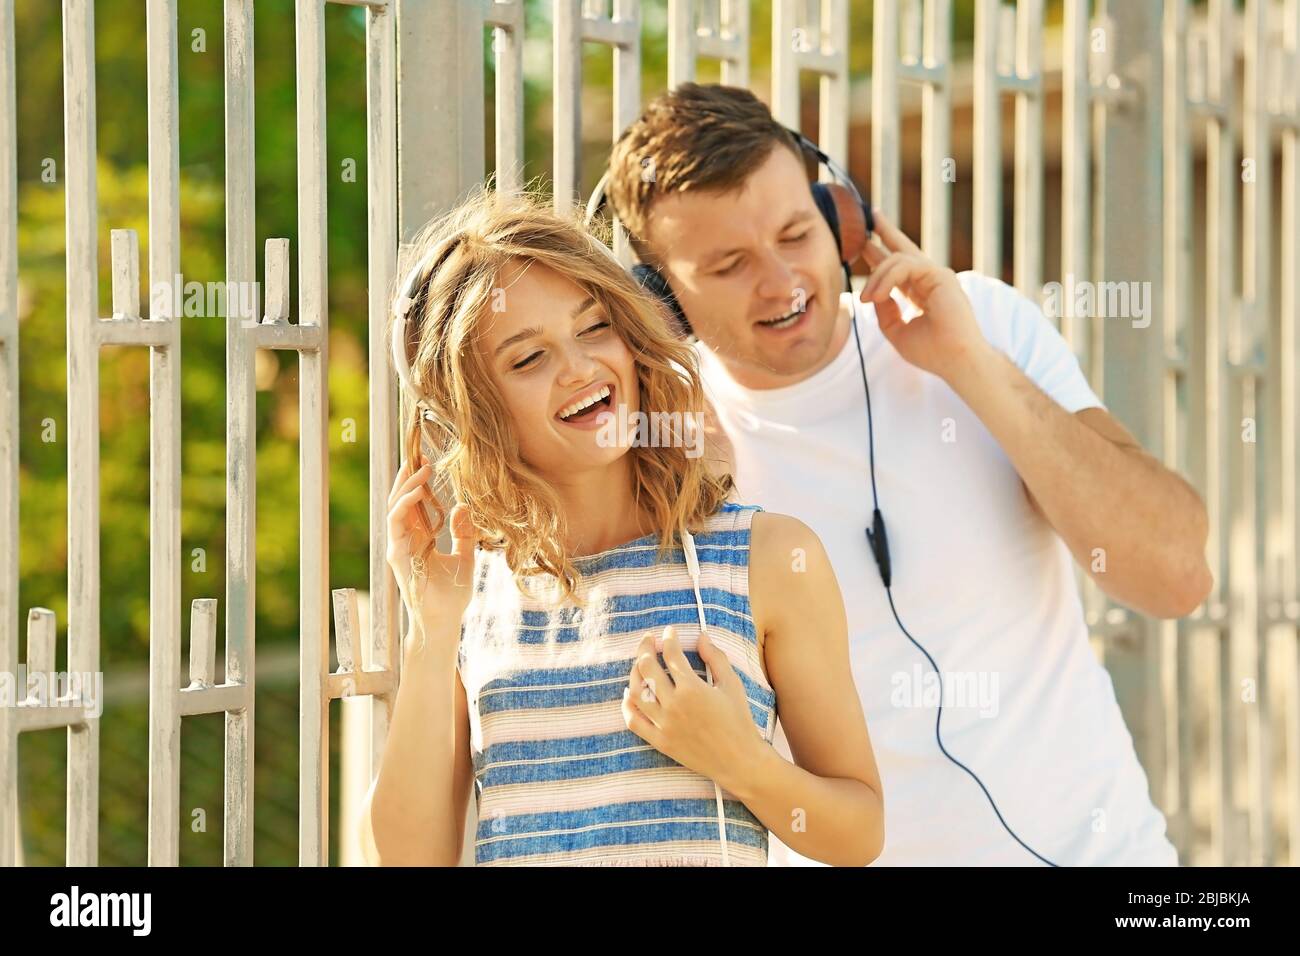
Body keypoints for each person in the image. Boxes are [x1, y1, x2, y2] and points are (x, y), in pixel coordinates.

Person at [602, 82, 1213, 866]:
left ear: (839, 218)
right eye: (729, 265)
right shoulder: (664, 444)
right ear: (661, 298)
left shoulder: (979, 324)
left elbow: (1176, 576)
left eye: (797, 234)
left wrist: (970, 369)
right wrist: (700, 493)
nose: (782, 280)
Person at [359, 188, 884, 867]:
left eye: (593, 328)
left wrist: (742, 762)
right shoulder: (471, 594)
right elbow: (408, 860)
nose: (580, 369)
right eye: (527, 358)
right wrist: (430, 631)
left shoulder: (768, 557)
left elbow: (858, 830)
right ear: (471, 412)